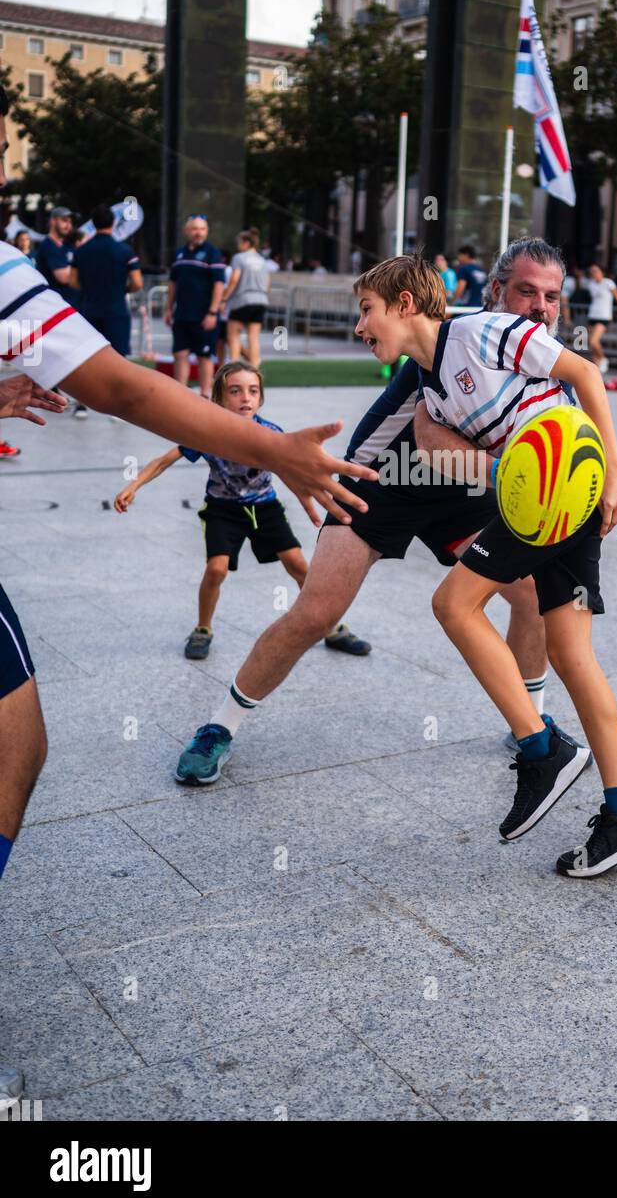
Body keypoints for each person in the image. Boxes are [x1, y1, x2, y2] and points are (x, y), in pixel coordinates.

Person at [0, 80, 378, 1109]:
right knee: (16, 748)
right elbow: (122, 387)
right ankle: (228, 641)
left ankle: (307, 632)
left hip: (255, 509)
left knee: (20, 748)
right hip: (232, 500)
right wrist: (269, 450)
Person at [173, 240, 569, 788]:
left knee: (528, 593)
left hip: (462, 488)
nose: (540, 307)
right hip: (381, 481)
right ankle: (220, 726)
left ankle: (533, 721)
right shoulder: (455, 339)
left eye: (551, 297)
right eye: (527, 291)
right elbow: (405, 432)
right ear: (496, 291)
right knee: (316, 613)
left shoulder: (538, 353)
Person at [354, 253, 617, 877]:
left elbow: (586, 373)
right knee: (574, 657)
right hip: (547, 500)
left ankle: (541, 748)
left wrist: (615, 474)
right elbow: (455, 459)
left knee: (453, 603)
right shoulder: (434, 392)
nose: (360, 327)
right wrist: (480, 465)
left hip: (560, 485)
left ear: (405, 304)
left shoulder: (482, 329)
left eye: (367, 311)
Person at [114, 361, 370, 668]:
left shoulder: (271, 433)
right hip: (222, 510)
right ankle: (202, 628)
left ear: (260, 398)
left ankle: (331, 626)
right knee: (217, 569)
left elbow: (305, 465)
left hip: (264, 507)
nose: (245, 398)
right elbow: (163, 460)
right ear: (219, 399)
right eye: (235, 392)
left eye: (252, 391)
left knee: (299, 564)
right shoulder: (206, 434)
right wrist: (135, 485)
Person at [165, 214, 225, 399]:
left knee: (204, 356)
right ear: (187, 231)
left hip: (203, 316)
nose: (199, 232)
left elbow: (219, 285)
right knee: (180, 354)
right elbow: (173, 283)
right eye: (195, 228)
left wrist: (212, 312)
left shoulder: (212, 254)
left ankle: (205, 395)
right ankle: (180, 395)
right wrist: (169, 308)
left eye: (202, 229)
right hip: (182, 315)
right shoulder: (179, 254)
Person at [70, 202, 143, 352]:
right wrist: (124, 289)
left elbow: (72, 281)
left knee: (91, 358)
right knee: (118, 360)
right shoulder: (125, 251)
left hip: (89, 311)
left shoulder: (81, 251)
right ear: (114, 222)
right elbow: (137, 283)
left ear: (94, 223)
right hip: (116, 312)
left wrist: (89, 288)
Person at [223, 229, 270, 367]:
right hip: (261, 300)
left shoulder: (239, 258)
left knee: (233, 335)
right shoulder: (262, 260)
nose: (238, 245)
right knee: (253, 337)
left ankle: (234, 369)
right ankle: (255, 371)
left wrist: (224, 298)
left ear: (246, 243)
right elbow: (267, 282)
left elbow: (234, 280)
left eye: (239, 242)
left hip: (243, 300)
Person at [585, 263, 617, 374]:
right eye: (592, 271)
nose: (593, 273)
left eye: (596, 271)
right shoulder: (591, 284)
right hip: (592, 315)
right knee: (591, 344)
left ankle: (603, 359)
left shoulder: (608, 283)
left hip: (604, 316)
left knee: (593, 341)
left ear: (602, 272)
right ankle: (596, 367)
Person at [34, 206, 75, 305]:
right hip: (57, 306)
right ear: (53, 221)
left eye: (70, 222)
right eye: (64, 221)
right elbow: (63, 277)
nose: (68, 225)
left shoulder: (68, 245)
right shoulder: (48, 246)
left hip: (72, 305)